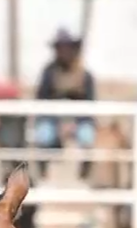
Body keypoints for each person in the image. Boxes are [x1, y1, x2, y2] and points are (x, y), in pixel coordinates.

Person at [33, 29, 96, 179]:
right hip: (52, 119)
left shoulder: (84, 75)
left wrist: (73, 121)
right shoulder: (49, 72)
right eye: (60, 47)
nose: (64, 51)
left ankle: (84, 175)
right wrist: (58, 121)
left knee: (87, 135)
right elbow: (41, 100)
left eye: (67, 47)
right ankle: (44, 174)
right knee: (44, 134)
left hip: (79, 120)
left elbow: (90, 104)